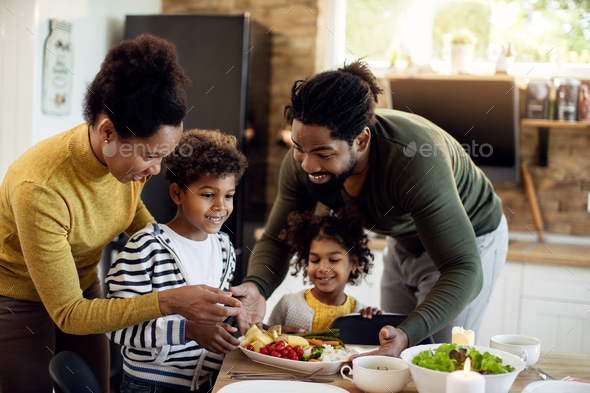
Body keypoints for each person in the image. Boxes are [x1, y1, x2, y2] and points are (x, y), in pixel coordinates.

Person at [0, 35, 241, 393]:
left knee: (95, 386)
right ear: (107, 132)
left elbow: (128, 213)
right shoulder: (40, 187)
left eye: (164, 155)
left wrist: (178, 251)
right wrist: (171, 299)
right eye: (151, 156)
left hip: (81, 284)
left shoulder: (124, 162)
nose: (157, 170)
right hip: (20, 298)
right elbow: (69, 313)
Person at [231, 60, 508, 358]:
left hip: (469, 242)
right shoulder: (304, 161)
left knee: (442, 356)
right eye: (299, 147)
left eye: (323, 153)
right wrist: (257, 286)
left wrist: (408, 333)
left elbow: (463, 268)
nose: (308, 165)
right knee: (389, 349)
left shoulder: (415, 160)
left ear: (362, 140)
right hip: (403, 239)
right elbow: (278, 237)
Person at [106, 129, 248, 392]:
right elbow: (118, 328)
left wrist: (255, 328)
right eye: (208, 195)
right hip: (149, 385)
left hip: (208, 382)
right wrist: (188, 330)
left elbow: (215, 323)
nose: (221, 206)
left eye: (228, 195)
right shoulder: (145, 247)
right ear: (177, 194)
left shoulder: (224, 247)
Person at [267, 205, 381, 331]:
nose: (323, 268)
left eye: (333, 260)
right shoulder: (288, 304)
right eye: (315, 260)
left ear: (353, 263)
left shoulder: (359, 314)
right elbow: (261, 338)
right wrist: (275, 332)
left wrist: (376, 321)